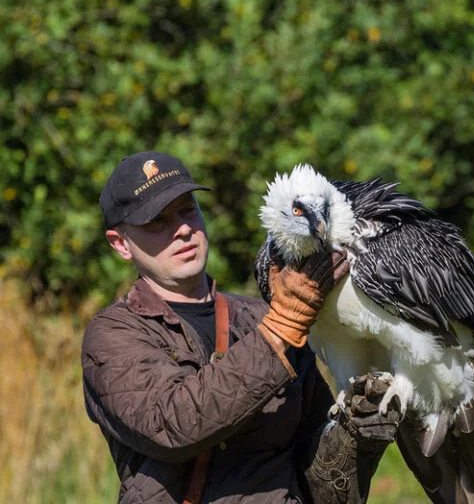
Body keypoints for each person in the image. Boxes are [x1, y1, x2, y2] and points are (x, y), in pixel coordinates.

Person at [82, 151, 400, 504]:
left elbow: (317, 474)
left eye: (188, 209)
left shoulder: (259, 315)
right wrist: (279, 329)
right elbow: (175, 424)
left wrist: (354, 436)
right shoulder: (113, 335)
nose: (183, 228)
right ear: (120, 243)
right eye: (158, 221)